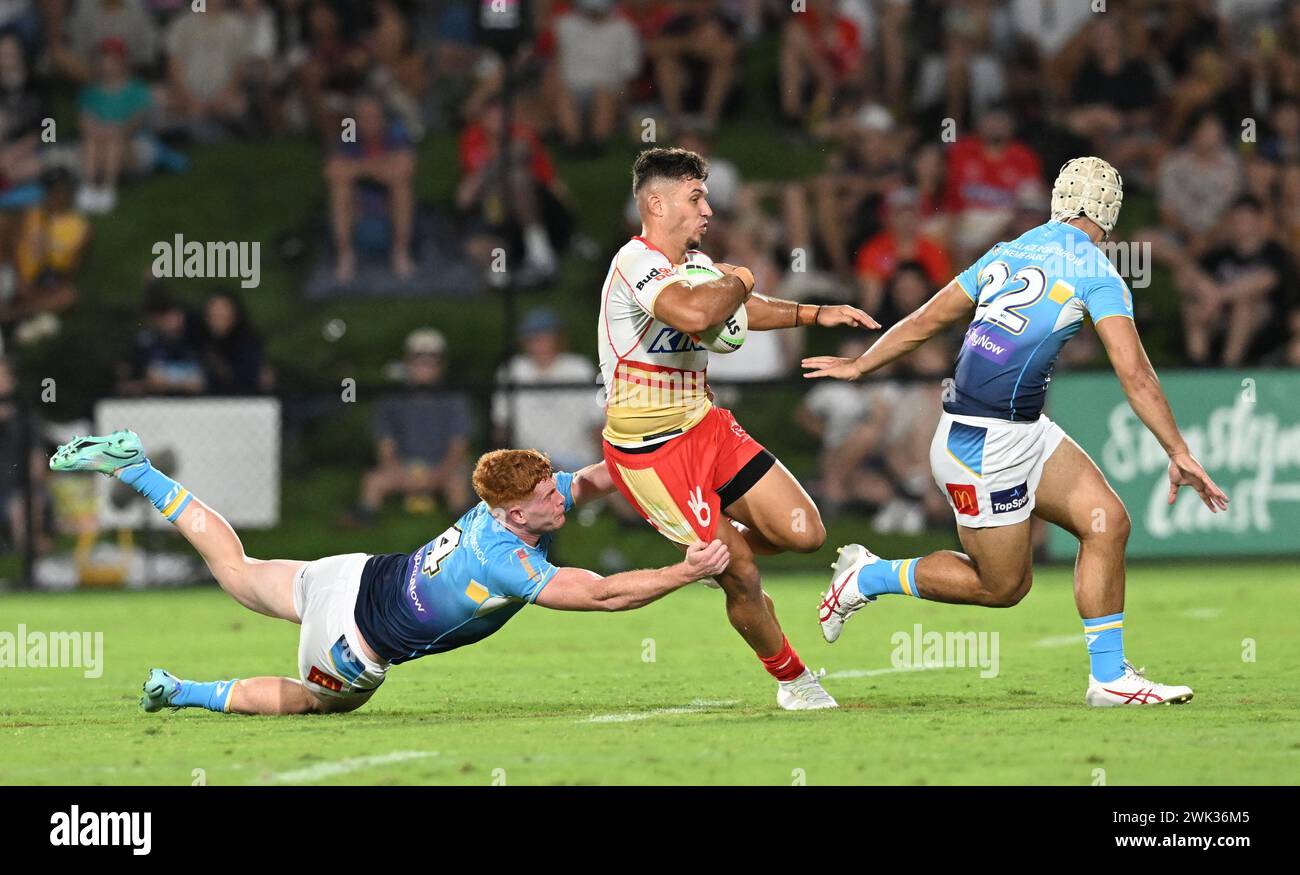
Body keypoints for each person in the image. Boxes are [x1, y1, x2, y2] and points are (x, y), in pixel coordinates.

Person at [803, 156, 1230, 707]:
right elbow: (1134, 372)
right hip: (982, 445)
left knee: (1107, 524)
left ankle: (1109, 679)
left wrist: (863, 365)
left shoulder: (1010, 249)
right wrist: (1179, 450)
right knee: (1003, 587)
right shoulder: (1097, 272)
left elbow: (928, 319)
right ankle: (869, 576)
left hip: (1020, 428)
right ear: (1110, 212)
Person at [49, 433, 730, 714]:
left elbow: (594, 476)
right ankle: (180, 690)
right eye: (548, 496)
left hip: (352, 574)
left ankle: (135, 468)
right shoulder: (510, 559)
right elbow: (603, 595)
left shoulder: (513, 507)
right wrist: (685, 568)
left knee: (238, 568)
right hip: (350, 645)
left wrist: (671, 448)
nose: (562, 495)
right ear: (515, 511)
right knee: (321, 703)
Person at [597, 147, 878, 710]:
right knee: (743, 575)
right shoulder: (637, 261)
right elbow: (701, 316)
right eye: (695, 197)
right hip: (651, 452)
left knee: (805, 533)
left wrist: (813, 313)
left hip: (704, 425)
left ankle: (718, 556)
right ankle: (794, 681)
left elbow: (735, 311)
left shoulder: (695, 268)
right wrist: (743, 276)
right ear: (656, 202)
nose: (707, 210)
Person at [350, 328, 471, 523]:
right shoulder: (391, 399)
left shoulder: (454, 399)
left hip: (442, 465)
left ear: (440, 366)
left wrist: (439, 474)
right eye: (418, 361)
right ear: (407, 363)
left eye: (431, 362)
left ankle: (466, 528)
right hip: (403, 465)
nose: (424, 367)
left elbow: (458, 446)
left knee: (458, 481)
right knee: (372, 481)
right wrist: (399, 473)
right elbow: (385, 446)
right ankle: (362, 520)